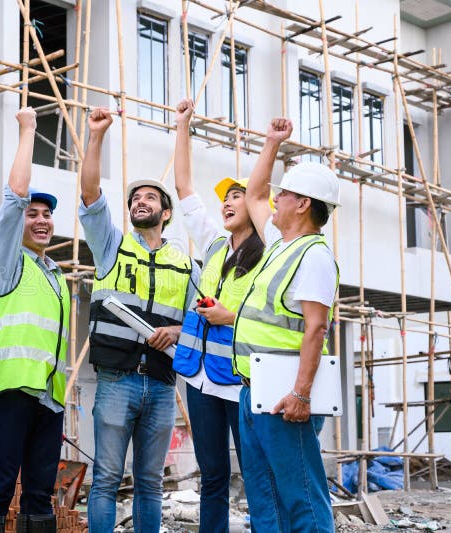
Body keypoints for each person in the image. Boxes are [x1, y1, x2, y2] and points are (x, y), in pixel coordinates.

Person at [79, 107, 198, 533]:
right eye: (134, 198)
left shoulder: (184, 263)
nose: (139, 201)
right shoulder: (112, 246)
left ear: (165, 212)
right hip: (116, 380)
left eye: (149, 197)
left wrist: (179, 331)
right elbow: (91, 195)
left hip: (164, 386)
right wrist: (96, 137)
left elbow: (203, 322)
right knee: (107, 480)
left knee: (150, 483)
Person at [232, 118, 339, 532]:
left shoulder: (313, 256)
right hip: (255, 389)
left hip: (285, 396)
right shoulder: (280, 246)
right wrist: (271, 142)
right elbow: (255, 192)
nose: (273, 201)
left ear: (303, 204)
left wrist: (301, 393)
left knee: (301, 498)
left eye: (285, 195)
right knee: (264, 500)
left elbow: (316, 329)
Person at [171, 98, 267, 533]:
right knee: (212, 478)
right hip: (200, 380)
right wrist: (183, 126)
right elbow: (185, 188)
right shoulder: (213, 246)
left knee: (257, 477)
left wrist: (231, 318)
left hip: (242, 382)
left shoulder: (271, 257)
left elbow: (272, 317)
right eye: (225, 198)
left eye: (238, 196)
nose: (227, 203)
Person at [0, 107, 68, 533]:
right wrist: (28, 130)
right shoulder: (6, 264)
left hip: (49, 400)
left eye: (46, 215)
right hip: (9, 392)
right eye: (33, 214)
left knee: (40, 492)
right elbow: (14, 197)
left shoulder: (55, 275)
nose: (40, 220)